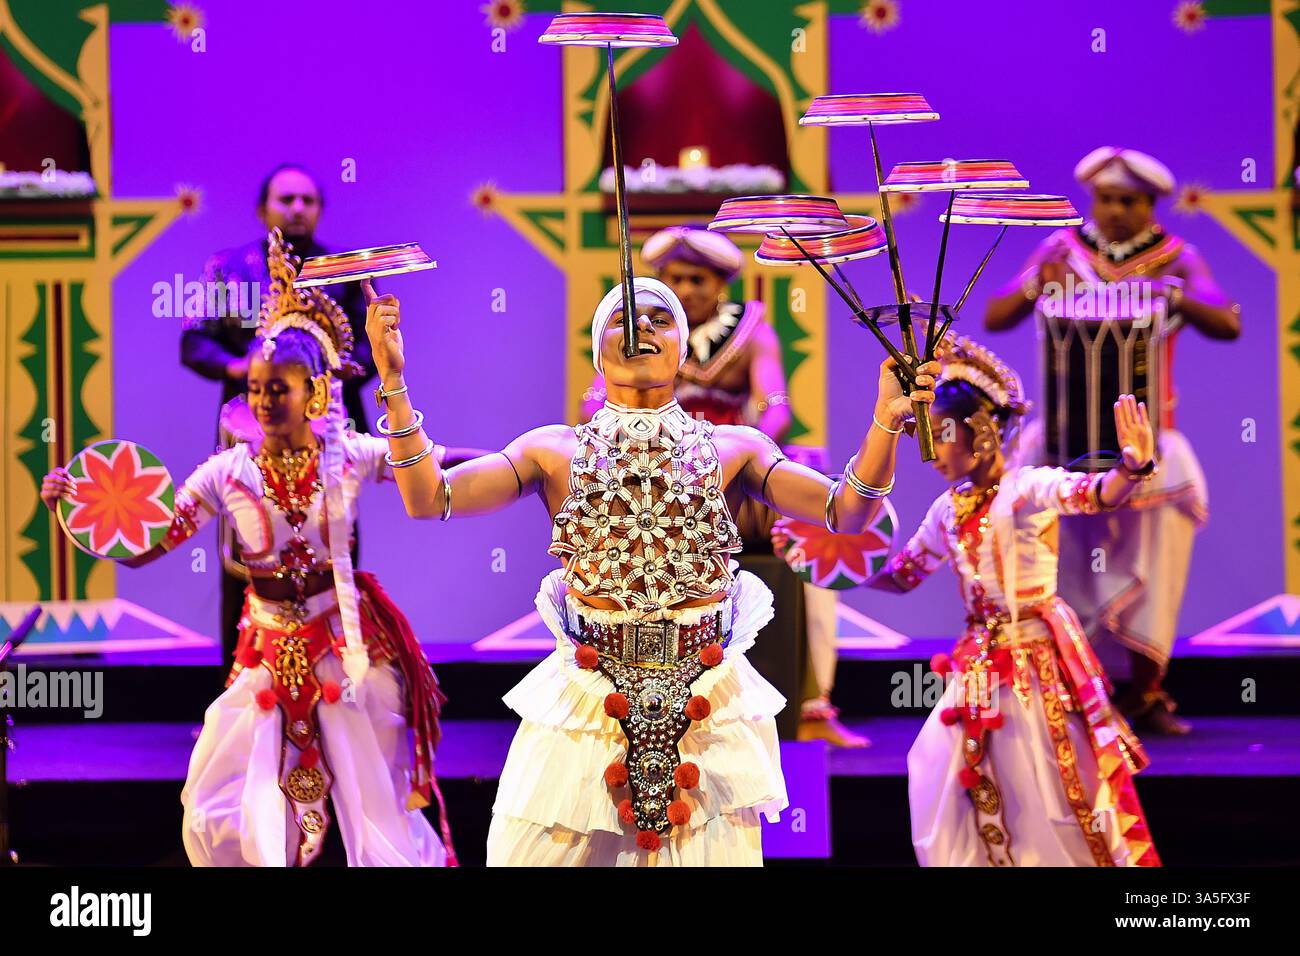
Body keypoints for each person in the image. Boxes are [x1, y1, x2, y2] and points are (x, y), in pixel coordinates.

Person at [365, 274, 938, 865]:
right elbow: (430, 497)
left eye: (661, 319)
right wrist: (393, 380)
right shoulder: (551, 450)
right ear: (597, 348)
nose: (642, 328)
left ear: (684, 349)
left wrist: (886, 418)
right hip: (586, 707)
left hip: (705, 705)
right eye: (623, 318)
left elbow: (845, 511)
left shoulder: (734, 448)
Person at [45, 230, 451, 867]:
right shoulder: (225, 472)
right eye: (256, 389)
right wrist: (80, 507)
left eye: (279, 389)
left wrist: (521, 468)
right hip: (262, 652)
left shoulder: (351, 456)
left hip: (343, 650)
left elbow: (439, 464)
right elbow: (150, 545)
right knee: (229, 804)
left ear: (315, 393)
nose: (263, 402)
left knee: (377, 809)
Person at [865, 335, 1160, 867]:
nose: (930, 455)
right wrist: (835, 563)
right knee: (939, 768)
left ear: (979, 435)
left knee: (1047, 788)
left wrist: (1130, 468)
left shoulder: (1025, 489)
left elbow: (1092, 494)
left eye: (939, 437)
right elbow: (904, 574)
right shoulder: (946, 509)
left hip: (1036, 660)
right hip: (977, 664)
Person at [983, 147, 1241, 735]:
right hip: (1063, 443)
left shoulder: (1179, 256)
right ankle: (1069, 692)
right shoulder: (1059, 249)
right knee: (1061, 563)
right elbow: (997, 315)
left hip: (1149, 444)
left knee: (1154, 561)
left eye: (1128, 201)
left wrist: (1176, 293)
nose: (1114, 210)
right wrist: (1033, 283)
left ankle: (1146, 693)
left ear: (1151, 205)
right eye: (1105, 199)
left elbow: (1229, 321)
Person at [584, 225, 867, 747]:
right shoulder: (639, 332)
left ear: (720, 285)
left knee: (814, 547)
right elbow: (593, 398)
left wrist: (742, 446)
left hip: (727, 472)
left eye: (697, 278)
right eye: (675, 279)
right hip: (650, 477)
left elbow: (774, 403)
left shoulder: (753, 328)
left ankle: (814, 704)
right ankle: (601, 703)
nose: (686, 289)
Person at [181, 164, 378, 667]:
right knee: (247, 557)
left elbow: (371, 353)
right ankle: (242, 686)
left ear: (319, 210)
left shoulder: (345, 270)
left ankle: (340, 683)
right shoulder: (228, 268)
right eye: (286, 199)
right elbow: (194, 341)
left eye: (307, 200)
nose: (296, 208)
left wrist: (334, 369)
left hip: (330, 434)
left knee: (335, 549)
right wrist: (247, 367)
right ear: (263, 208)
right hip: (254, 437)